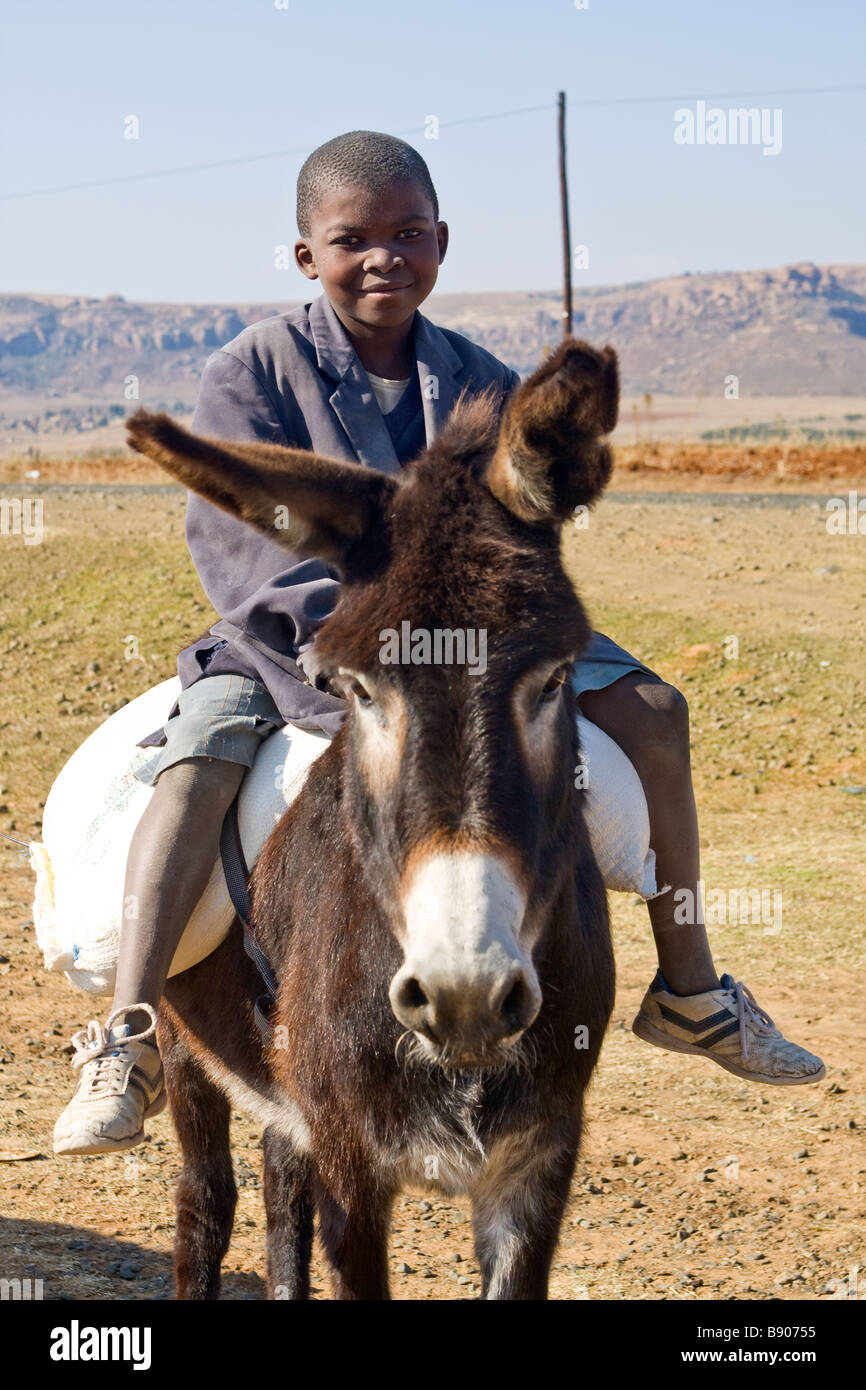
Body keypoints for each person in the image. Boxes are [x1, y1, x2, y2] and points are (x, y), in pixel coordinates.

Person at [53, 131, 823, 1156]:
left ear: (441, 242)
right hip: (296, 636)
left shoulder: (477, 378)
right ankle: (131, 1032)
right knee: (196, 765)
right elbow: (240, 534)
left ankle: (689, 983)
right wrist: (348, 655)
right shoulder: (253, 372)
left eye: (407, 234)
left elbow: (520, 525)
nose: (383, 257)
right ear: (305, 256)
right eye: (351, 239)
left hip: (477, 638)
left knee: (654, 711)